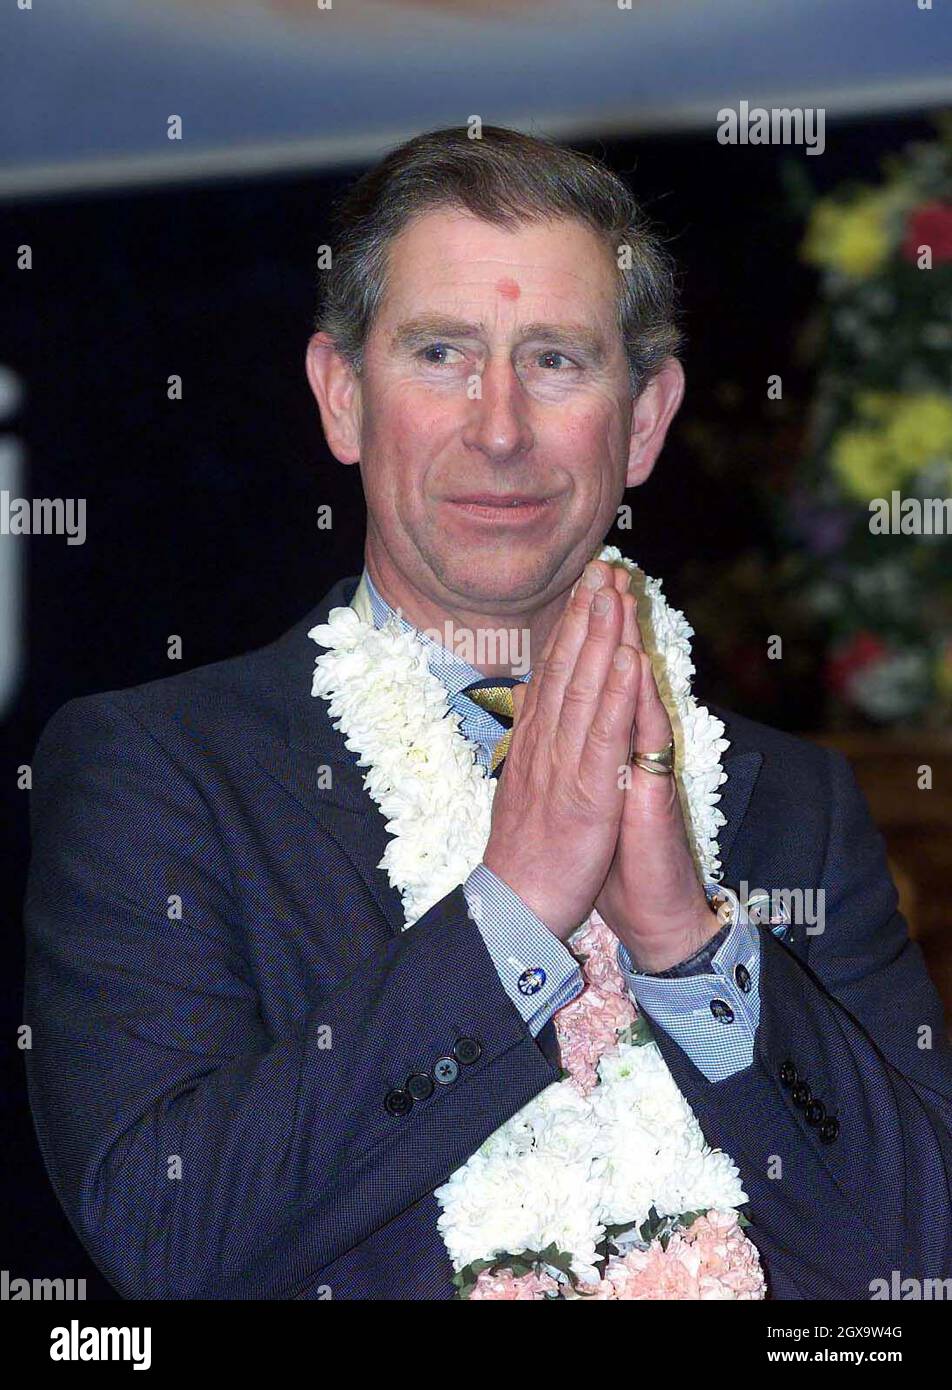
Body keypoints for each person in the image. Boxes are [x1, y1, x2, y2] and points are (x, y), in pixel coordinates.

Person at [23, 126, 952, 1300]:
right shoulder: (160, 771)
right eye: (442, 352)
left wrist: (683, 947)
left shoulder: (797, 805)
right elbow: (169, 1234)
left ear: (647, 418)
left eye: (556, 358)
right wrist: (512, 914)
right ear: (343, 398)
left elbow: (920, 1267)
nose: (499, 425)